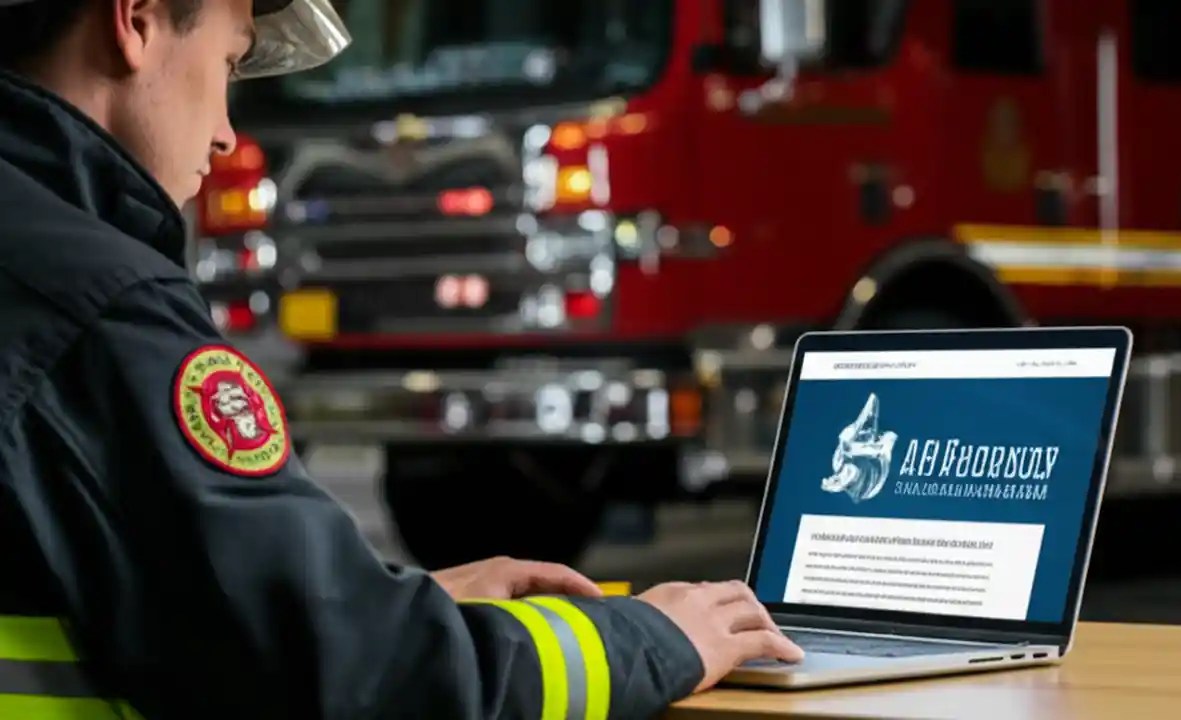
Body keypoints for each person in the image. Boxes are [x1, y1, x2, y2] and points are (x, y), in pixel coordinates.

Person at [0, 0, 804, 718]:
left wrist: (390, 599)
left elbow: (166, 587)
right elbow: (361, 676)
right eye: (230, 62)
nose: (226, 130)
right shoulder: (99, 308)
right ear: (135, 19)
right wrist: (657, 638)